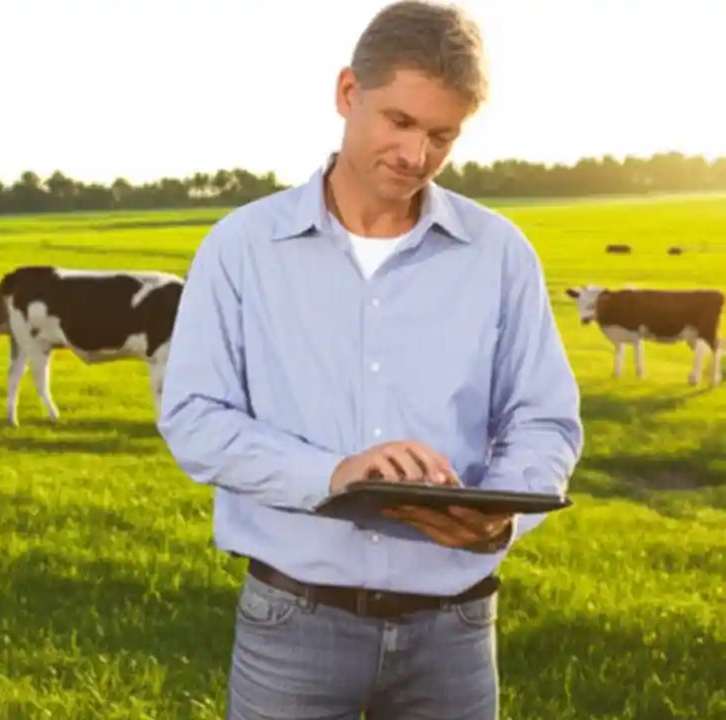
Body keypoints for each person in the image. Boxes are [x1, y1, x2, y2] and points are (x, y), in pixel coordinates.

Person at [155, 1, 584, 718]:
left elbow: (544, 417)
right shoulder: (241, 246)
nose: (417, 156)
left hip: (456, 629)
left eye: (443, 135)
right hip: (293, 623)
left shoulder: (500, 253)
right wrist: (331, 474)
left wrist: (503, 513)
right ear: (348, 93)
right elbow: (195, 417)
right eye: (401, 122)